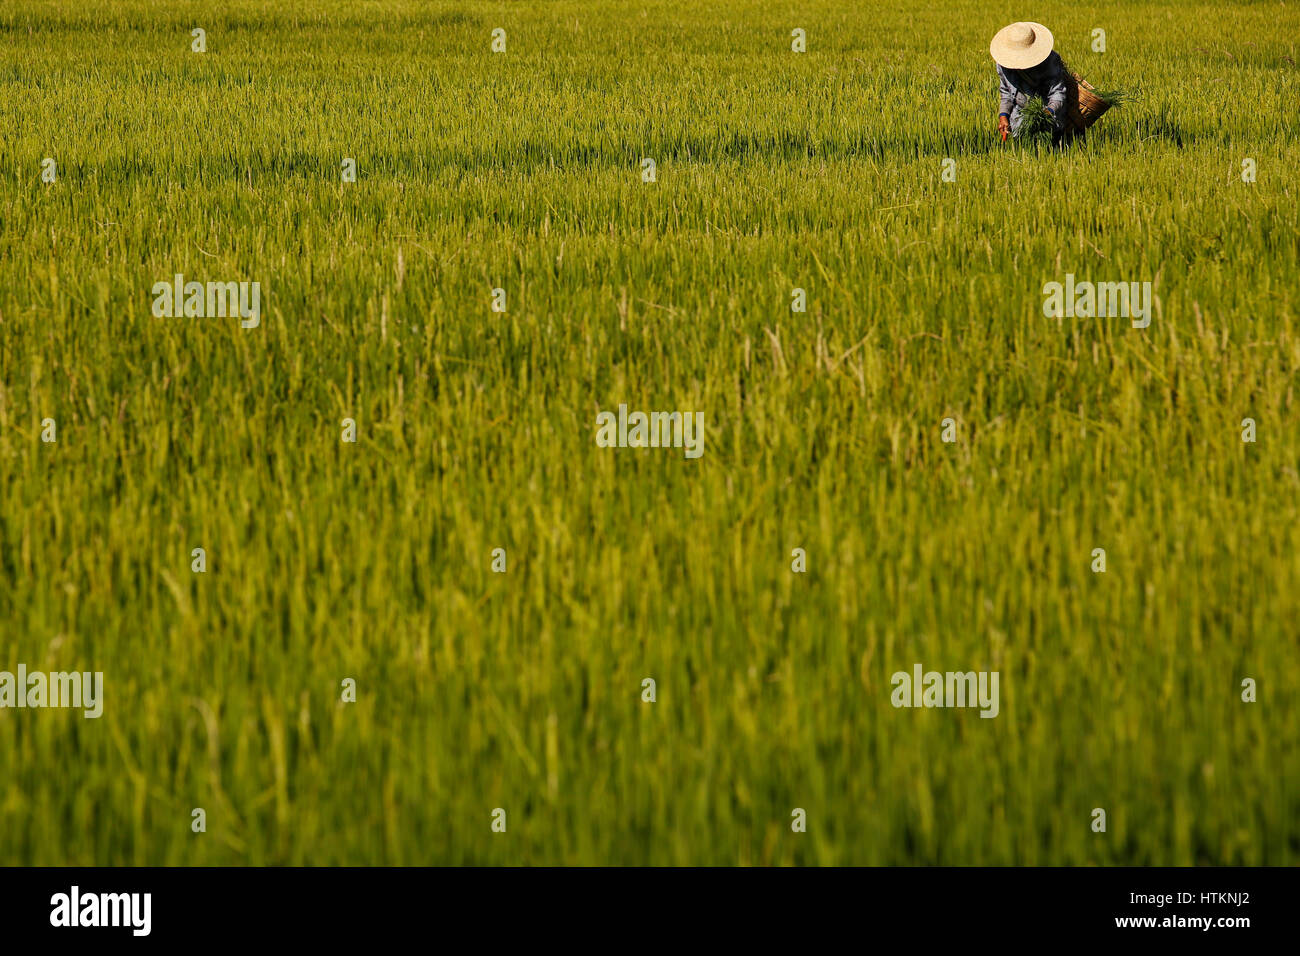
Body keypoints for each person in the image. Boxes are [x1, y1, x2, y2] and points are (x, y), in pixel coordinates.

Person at [989, 22, 1071, 144]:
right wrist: (1003, 116)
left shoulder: (1050, 61)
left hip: (1049, 118)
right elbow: (1006, 93)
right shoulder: (1003, 64)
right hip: (1019, 120)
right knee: (1023, 149)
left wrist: (1046, 113)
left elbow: (1058, 94)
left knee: (1050, 147)